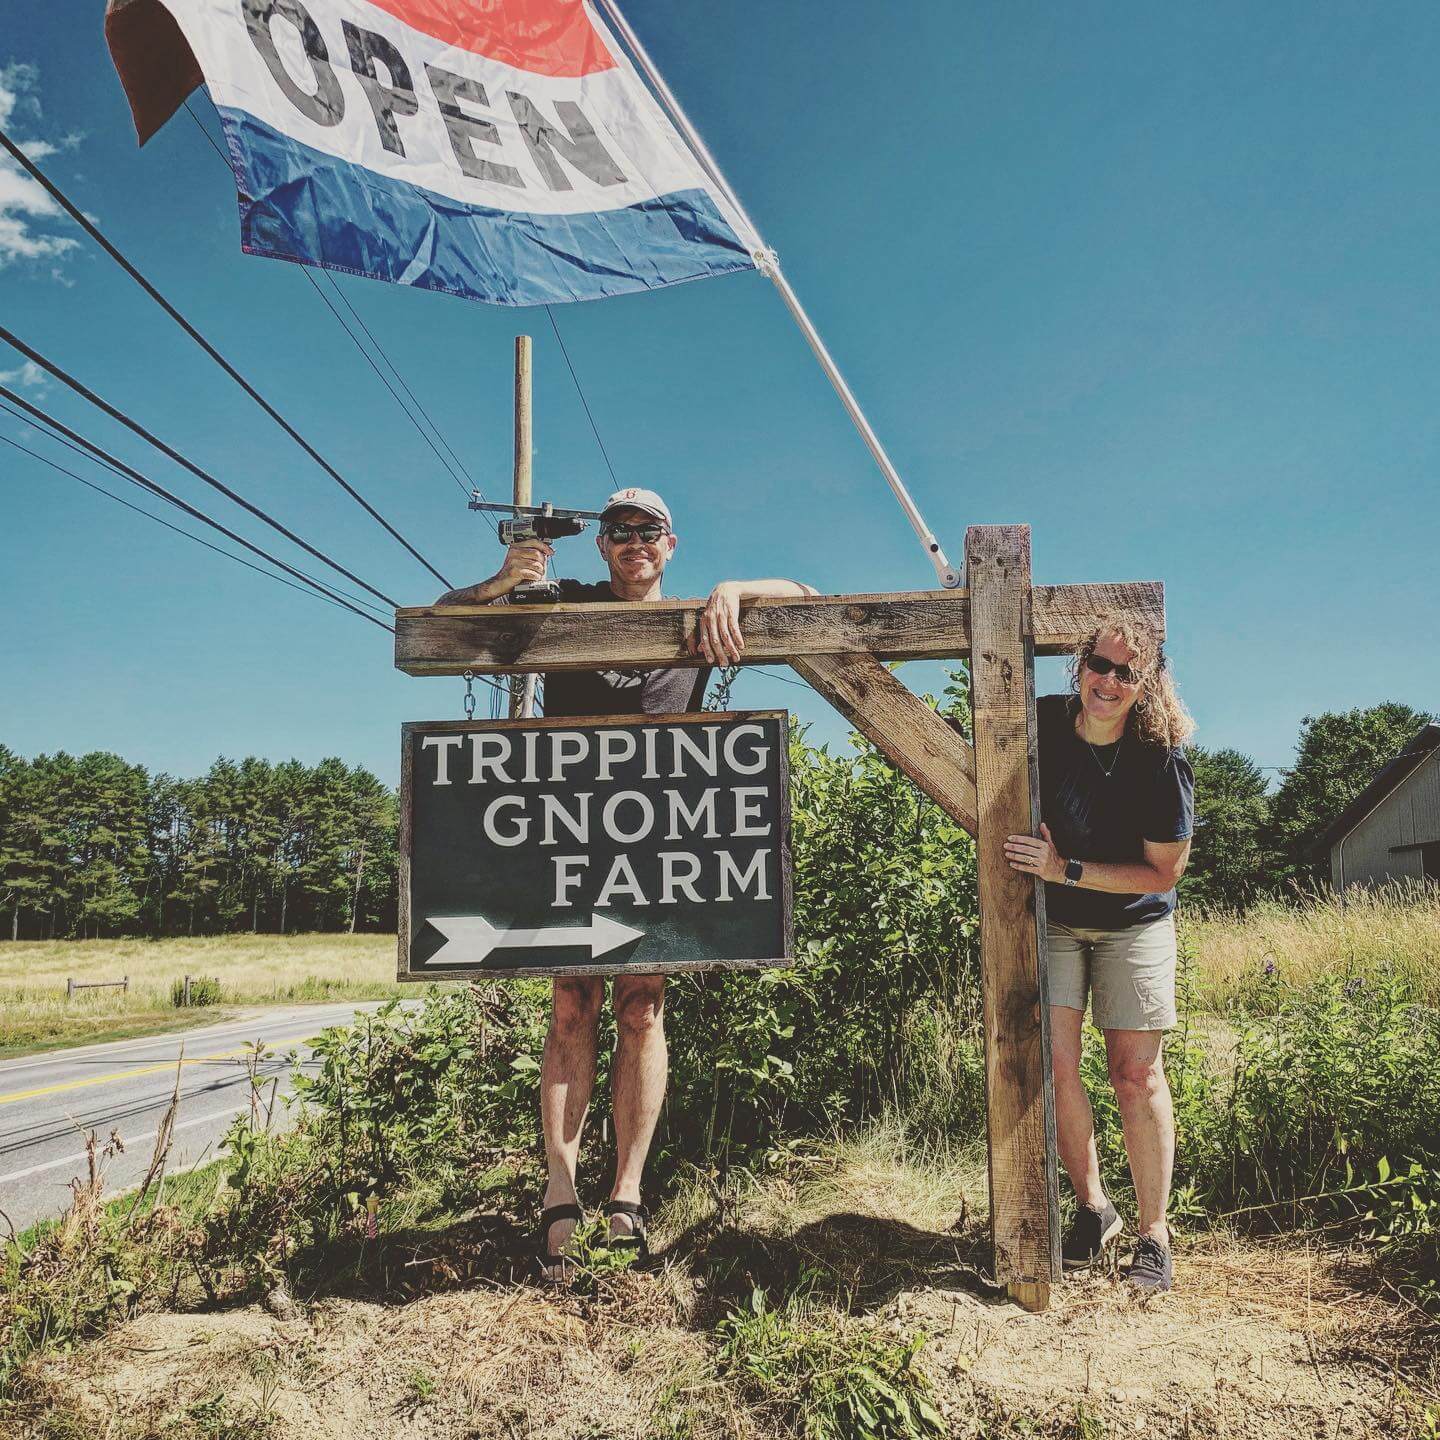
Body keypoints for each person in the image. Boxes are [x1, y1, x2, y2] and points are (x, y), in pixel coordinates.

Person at [435, 486, 815, 1279]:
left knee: (643, 1009)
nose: (635, 542)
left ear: (671, 546)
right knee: (572, 1002)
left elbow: (811, 600)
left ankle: (627, 1198)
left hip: (659, 846)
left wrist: (736, 591)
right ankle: (560, 1195)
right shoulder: (558, 606)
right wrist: (502, 583)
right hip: (566, 844)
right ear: (601, 547)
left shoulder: (703, 620)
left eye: (651, 531)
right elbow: (444, 621)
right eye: (619, 531)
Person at [1002, 614, 1195, 1293]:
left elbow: (1163, 872)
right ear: (1079, 664)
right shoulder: (1044, 723)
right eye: (1100, 665)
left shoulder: (1161, 757)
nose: (1108, 682)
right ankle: (1094, 1208)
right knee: (1053, 1066)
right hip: (1056, 920)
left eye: (1126, 673)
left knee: (1134, 1073)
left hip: (1133, 920)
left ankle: (1154, 1233)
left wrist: (1068, 870)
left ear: (1145, 685)